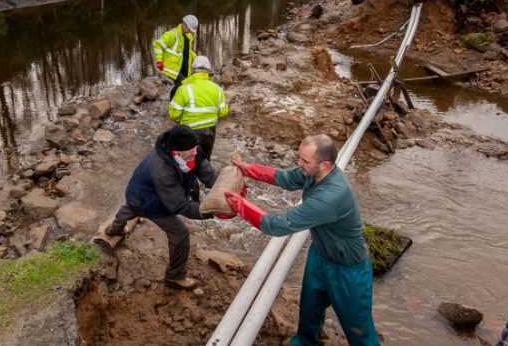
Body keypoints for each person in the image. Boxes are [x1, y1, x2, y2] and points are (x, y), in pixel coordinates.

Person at [222, 134, 381, 346]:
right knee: (310, 307)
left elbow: (277, 225)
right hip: (320, 254)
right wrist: (246, 169)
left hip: (347, 268)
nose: (299, 163)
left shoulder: (329, 197)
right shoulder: (314, 173)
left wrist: (240, 206)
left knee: (357, 326)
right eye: (299, 157)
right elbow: (285, 177)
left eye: (304, 161)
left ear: (325, 164)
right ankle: (305, 342)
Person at [104, 125, 225, 291]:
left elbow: (210, 176)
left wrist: (226, 190)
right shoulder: (161, 168)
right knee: (179, 232)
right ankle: (175, 277)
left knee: (130, 207)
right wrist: (211, 211)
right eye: (190, 150)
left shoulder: (190, 150)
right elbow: (178, 205)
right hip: (146, 199)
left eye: (195, 148)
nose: (195, 152)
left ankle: (115, 228)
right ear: (177, 151)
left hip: (140, 194)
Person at [168, 55, 228, 161]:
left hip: (189, 132)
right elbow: (223, 112)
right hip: (210, 132)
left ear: (193, 69)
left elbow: (173, 115)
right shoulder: (218, 89)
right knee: (205, 160)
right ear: (208, 71)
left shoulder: (183, 89)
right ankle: (204, 177)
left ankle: (190, 177)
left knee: (188, 162)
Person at [152, 14, 198, 99]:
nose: (190, 31)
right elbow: (157, 44)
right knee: (181, 83)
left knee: (187, 83)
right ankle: (172, 101)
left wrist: (196, 58)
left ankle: (180, 99)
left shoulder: (187, 36)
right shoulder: (172, 35)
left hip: (180, 66)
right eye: (189, 29)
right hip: (171, 67)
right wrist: (159, 60)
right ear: (184, 25)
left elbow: (187, 51)